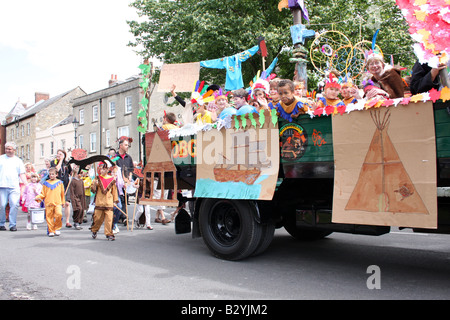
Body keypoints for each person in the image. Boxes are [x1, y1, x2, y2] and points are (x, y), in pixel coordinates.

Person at [0, 142, 28, 231]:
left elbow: (22, 174)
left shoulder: (18, 161)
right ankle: (1, 223)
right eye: (6, 149)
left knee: (14, 205)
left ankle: (12, 224)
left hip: (14, 186)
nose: (8, 150)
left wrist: (27, 184)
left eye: (10, 149)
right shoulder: (1, 159)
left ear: (14, 150)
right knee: (2, 205)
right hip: (2, 185)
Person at [90, 162, 119, 241]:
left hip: (108, 202)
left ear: (108, 169)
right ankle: (94, 230)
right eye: (101, 168)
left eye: (104, 168)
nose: (103, 170)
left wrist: (115, 201)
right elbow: (93, 191)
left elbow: (114, 191)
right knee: (97, 218)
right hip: (100, 201)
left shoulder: (111, 179)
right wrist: (95, 185)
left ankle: (108, 233)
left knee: (109, 219)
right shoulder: (97, 178)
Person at [35, 167, 65, 237]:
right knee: (49, 217)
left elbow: (62, 193)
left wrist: (63, 202)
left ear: (56, 174)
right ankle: (51, 230)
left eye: (53, 174)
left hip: (57, 202)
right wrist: (38, 197)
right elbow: (43, 193)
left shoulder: (60, 183)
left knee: (59, 214)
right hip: (48, 203)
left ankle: (57, 228)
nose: (51, 175)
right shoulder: (46, 183)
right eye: (50, 174)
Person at [114, 137, 134, 226]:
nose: (127, 147)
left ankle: (124, 217)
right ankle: (121, 216)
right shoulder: (115, 157)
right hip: (117, 183)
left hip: (126, 182)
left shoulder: (128, 157)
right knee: (119, 200)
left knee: (125, 199)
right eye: (126, 145)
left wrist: (129, 177)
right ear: (120, 146)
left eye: (128, 145)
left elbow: (131, 169)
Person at [51, 149, 72, 228]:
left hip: (66, 185)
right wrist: (60, 160)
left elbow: (71, 172)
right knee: (57, 204)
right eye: (58, 154)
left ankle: (67, 221)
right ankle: (56, 219)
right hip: (57, 185)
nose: (58, 155)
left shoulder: (67, 164)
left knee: (67, 203)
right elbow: (56, 170)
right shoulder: (54, 162)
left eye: (60, 154)